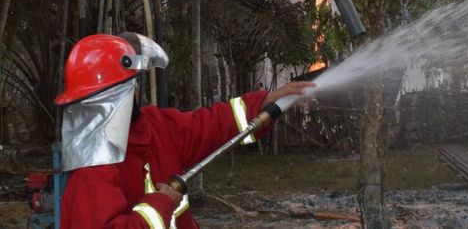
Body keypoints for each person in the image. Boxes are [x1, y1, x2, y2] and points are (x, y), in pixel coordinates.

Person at [55, 33, 313, 229]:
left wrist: (262, 104)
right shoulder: (91, 174)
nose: (135, 92)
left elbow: (209, 126)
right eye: (129, 85)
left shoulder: (156, 125)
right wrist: (161, 204)